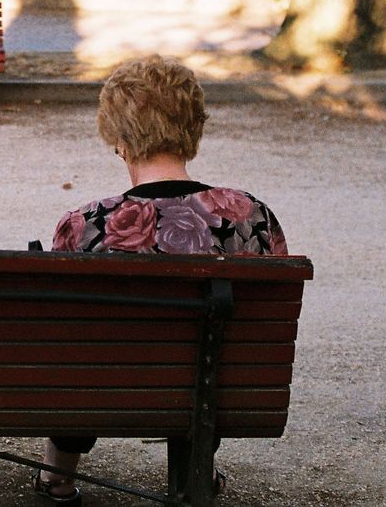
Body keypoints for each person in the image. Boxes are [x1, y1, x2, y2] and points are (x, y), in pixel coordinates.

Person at [40, 55, 288, 506]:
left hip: (98, 393)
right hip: (211, 390)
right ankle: (198, 468)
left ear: (119, 140)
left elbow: (58, 334)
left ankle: (57, 475)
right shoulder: (250, 216)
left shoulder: (84, 224)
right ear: (193, 131)